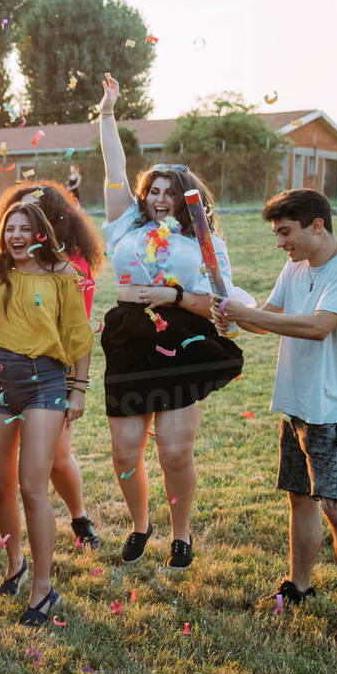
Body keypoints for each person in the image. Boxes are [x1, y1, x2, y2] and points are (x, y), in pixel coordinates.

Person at [97, 72, 251, 570]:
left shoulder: (205, 242)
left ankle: (180, 535)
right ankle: (141, 524)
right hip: (129, 337)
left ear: (185, 196)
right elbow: (113, 170)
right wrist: (107, 114)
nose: (158, 198)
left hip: (184, 339)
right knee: (124, 453)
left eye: (168, 191)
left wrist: (172, 294)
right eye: (152, 190)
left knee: (173, 451)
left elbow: (218, 304)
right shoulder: (126, 224)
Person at [213, 188, 337, 639]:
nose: (281, 242)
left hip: (334, 406)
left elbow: (319, 326)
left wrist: (251, 315)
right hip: (297, 402)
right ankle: (299, 586)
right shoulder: (295, 267)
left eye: (286, 232)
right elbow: (266, 316)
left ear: (317, 225)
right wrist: (232, 317)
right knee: (300, 497)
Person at [0, 191, 93, 626]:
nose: (16, 236)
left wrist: (79, 390)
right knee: (0, 483)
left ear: (40, 234)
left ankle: (44, 588)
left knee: (32, 486)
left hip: (44, 381)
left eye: (25, 229)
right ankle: (15, 563)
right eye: (10, 229)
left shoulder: (62, 274)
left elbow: (79, 336)